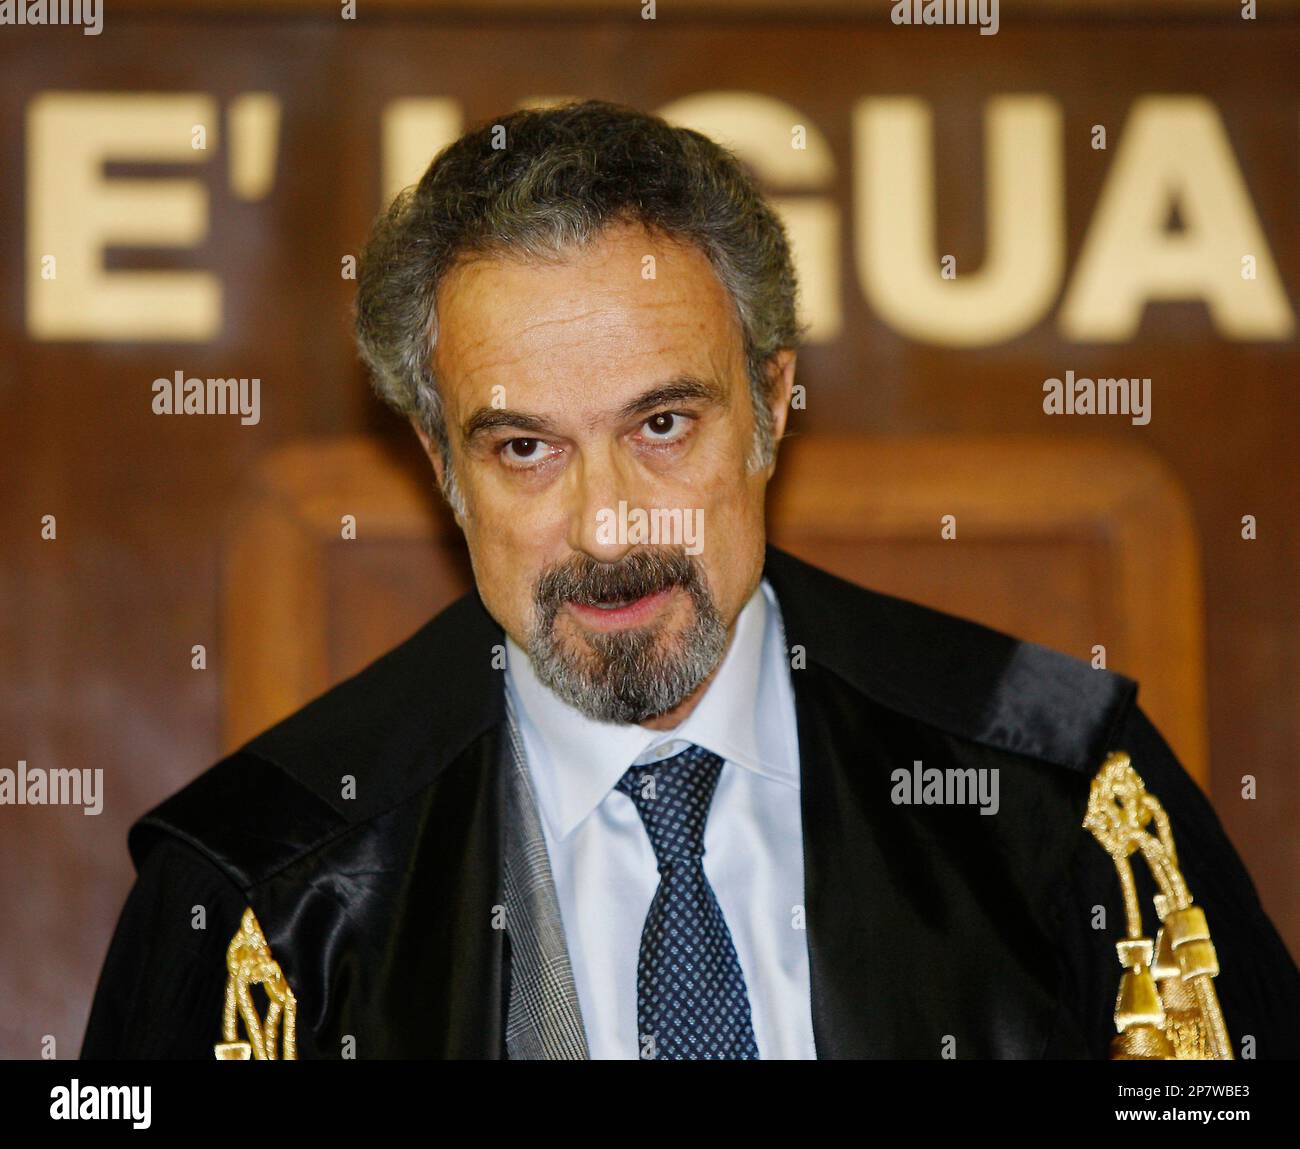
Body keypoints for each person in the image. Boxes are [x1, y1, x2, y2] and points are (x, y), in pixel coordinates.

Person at [82, 99, 1298, 1060]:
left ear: (772, 405)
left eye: (662, 426)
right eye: (524, 448)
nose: (607, 526)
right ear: (439, 465)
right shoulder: (266, 902)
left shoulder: (1065, 797)